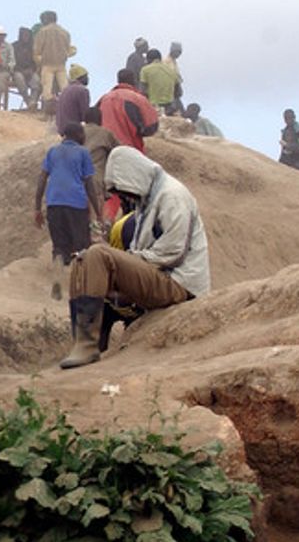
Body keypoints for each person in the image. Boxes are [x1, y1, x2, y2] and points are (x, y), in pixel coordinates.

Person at [59, 146, 210, 368]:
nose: (124, 197)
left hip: (181, 284)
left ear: (134, 176)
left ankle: (87, 347)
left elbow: (173, 252)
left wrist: (129, 261)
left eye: (123, 190)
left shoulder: (172, 195)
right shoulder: (148, 200)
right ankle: (84, 345)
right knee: (82, 260)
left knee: (99, 254)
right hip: (161, 274)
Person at [36, 123, 104, 300]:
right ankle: (81, 289)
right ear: (78, 135)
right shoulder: (83, 153)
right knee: (82, 247)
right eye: (82, 133)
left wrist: (37, 208)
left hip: (54, 204)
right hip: (76, 204)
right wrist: (98, 212)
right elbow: (89, 183)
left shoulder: (52, 152)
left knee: (59, 247)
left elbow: (42, 179)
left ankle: (57, 278)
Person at [97, 70, 159, 150]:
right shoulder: (139, 99)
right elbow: (151, 127)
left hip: (105, 148)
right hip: (129, 149)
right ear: (134, 80)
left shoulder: (104, 98)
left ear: (118, 81)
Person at [33, 10, 73, 107]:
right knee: (65, 90)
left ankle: (47, 112)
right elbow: (69, 49)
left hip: (47, 65)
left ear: (46, 19)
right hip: (61, 65)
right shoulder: (65, 32)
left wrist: (39, 64)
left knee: (47, 91)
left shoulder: (42, 32)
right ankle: (66, 109)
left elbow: (37, 51)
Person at [138, 48, 179, 114]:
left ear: (149, 59)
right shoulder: (171, 70)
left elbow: (142, 91)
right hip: (169, 108)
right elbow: (178, 92)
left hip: (153, 107)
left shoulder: (145, 70)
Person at [53, 65, 91, 133]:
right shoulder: (82, 90)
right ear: (80, 77)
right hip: (73, 131)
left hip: (61, 129)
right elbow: (86, 115)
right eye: (86, 76)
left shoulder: (65, 90)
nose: (88, 78)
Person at [12, 26, 40, 109]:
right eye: (24, 35)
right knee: (19, 79)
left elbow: (35, 61)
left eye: (27, 35)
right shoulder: (14, 46)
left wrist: (31, 69)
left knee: (36, 81)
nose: (26, 37)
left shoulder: (33, 47)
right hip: (17, 71)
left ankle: (33, 101)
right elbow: (11, 62)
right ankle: (28, 101)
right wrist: (21, 70)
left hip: (30, 71)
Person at [163, 41, 185, 115]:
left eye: (180, 53)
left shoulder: (174, 62)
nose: (179, 55)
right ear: (173, 51)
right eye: (178, 52)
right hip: (168, 91)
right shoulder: (166, 61)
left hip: (174, 91)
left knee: (180, 111)